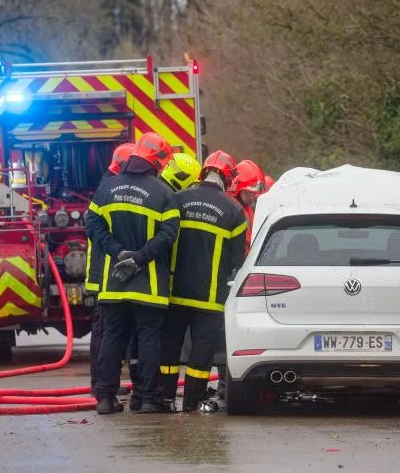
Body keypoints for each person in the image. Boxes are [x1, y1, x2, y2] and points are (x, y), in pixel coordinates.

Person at [86, 133, 179, 414]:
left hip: (114, 281)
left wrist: (118, 253)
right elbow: (169, 235)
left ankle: (105, 398)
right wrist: (140, 258)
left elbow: (92, 225)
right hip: (148, 282)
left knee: (112, 336)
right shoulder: (164, 192)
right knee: (148, 337)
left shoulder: (107, 188)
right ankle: (149, 398)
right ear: (159, 161)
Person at [159, 150, 246, 412]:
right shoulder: (235, 211)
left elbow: (163, 239)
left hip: (175, 291)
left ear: (202, 172)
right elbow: (236, 261)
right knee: (202, 351)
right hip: (210, 296)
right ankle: (192, 401)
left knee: (170, 346)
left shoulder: (177, 199)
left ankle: (165, 397)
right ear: (228, 178)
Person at [229, 160, 266, 250]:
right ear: (238, 189)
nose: (253, 197)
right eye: (250, 192)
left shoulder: (246, 209)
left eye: (255, 193)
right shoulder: (231, 210)